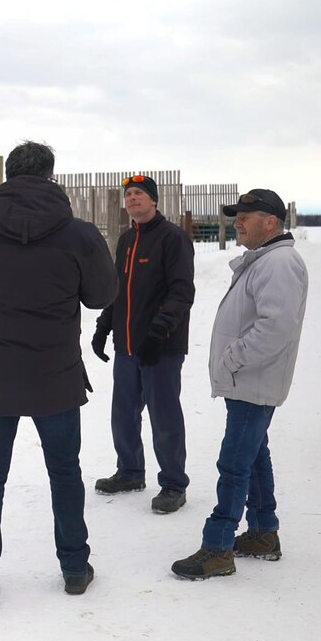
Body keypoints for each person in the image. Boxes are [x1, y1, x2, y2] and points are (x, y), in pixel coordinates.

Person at [0, 141, 117, 607]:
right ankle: (75, 568)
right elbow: (101, 296)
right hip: (54, 376)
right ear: (51, 176)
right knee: (64, 472)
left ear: (8, 175)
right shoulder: (78, 234)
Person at [172, 189, 308, 580]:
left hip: (253, 380)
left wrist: (233, 357)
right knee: (254, 456)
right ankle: (264, 533)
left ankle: (217, 548)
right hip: (248, 381)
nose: (238, 222)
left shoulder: (279, 263)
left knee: (234, 463)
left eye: (245, 216)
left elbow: (275, 328)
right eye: (237, 215)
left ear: (271, 222)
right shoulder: (265, 260)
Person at [91, 174, 196, 513]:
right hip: (127, 346)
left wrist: (158, 334)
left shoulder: (173, 239)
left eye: (139, 193)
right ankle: (130, 471)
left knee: (163, 415)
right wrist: (104, 326)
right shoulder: (125, 241)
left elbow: (182, 292)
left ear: (154, 200)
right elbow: (116, 289)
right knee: (122, 413)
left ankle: (173, 484)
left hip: (160, 347)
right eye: (128, 194)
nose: (132, 198)